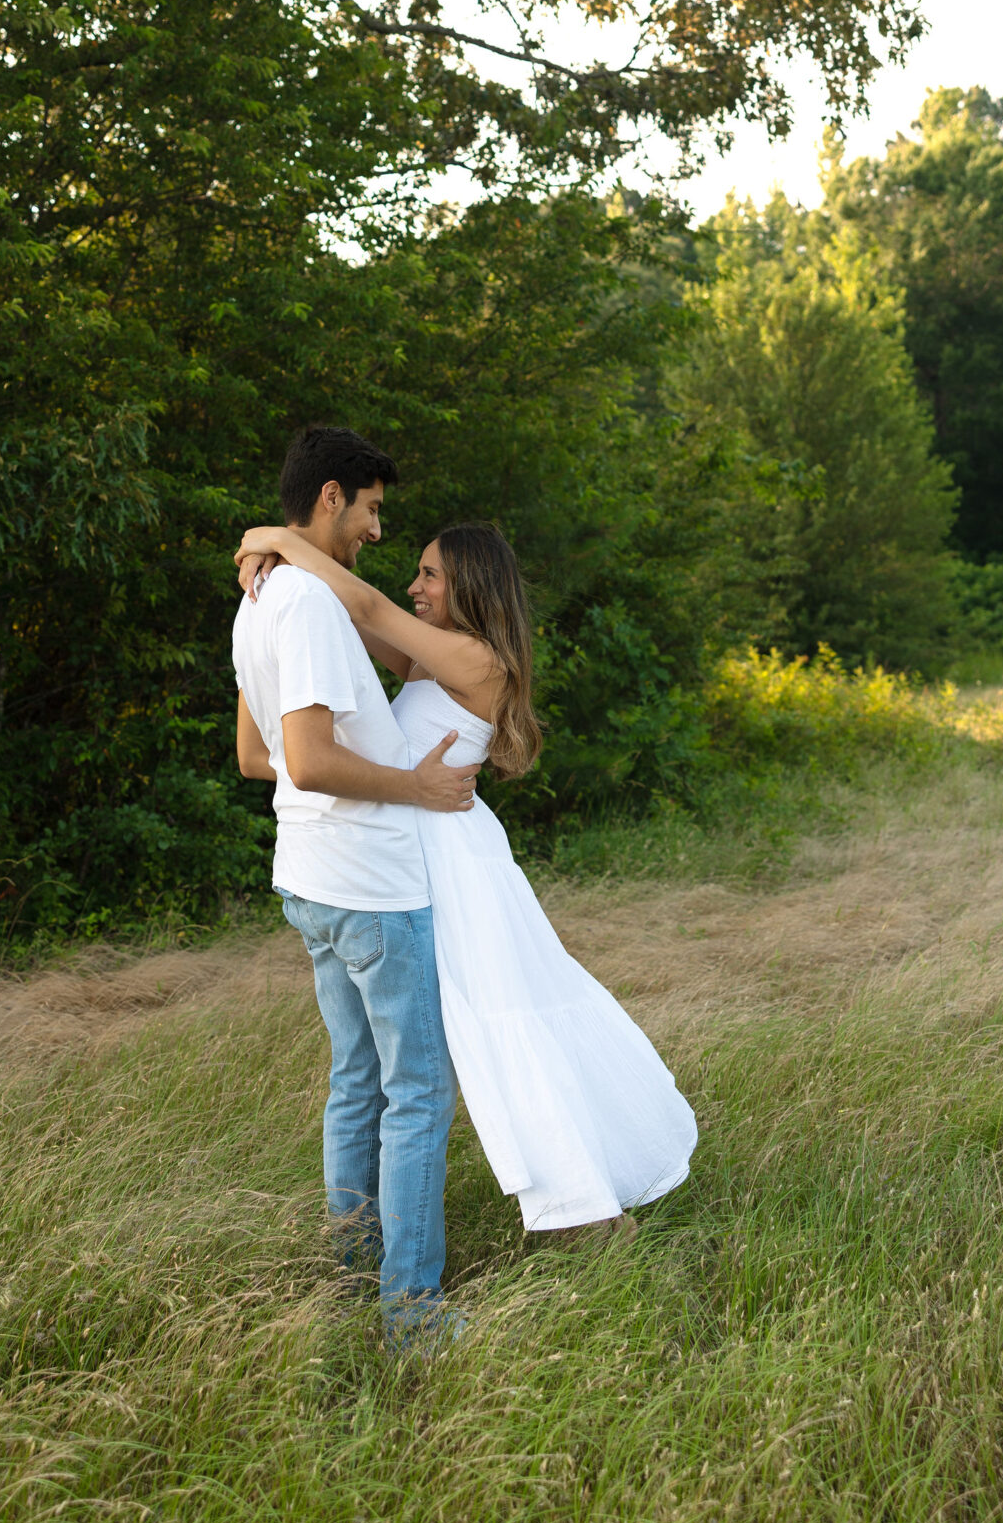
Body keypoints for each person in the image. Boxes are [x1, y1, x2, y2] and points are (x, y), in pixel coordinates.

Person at [236, 514, 698, 1236]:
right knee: (443, 1044)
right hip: (414, 854)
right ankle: (543, 1205)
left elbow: (364, 608)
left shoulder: (478, 660)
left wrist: (278, 537)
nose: (413, 586)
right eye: (416, 573)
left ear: (469, 587)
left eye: (429, 575)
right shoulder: (432, 660)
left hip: (455, 860)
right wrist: (276, 572)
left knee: (498, 1027)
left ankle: (585, 1208)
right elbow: (332, 622)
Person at [232, 426, 480, 1346]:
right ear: (331, 497)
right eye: (374, 509)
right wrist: (412, 785)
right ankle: (410, 1314)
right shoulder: (307, 606)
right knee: (416, 1092)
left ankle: (343, 1282)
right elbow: (304, 755)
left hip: (308, 876)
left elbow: (258, 759)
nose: (378, 529)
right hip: (370, 886)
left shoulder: (257, 601)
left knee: (356, 1083)